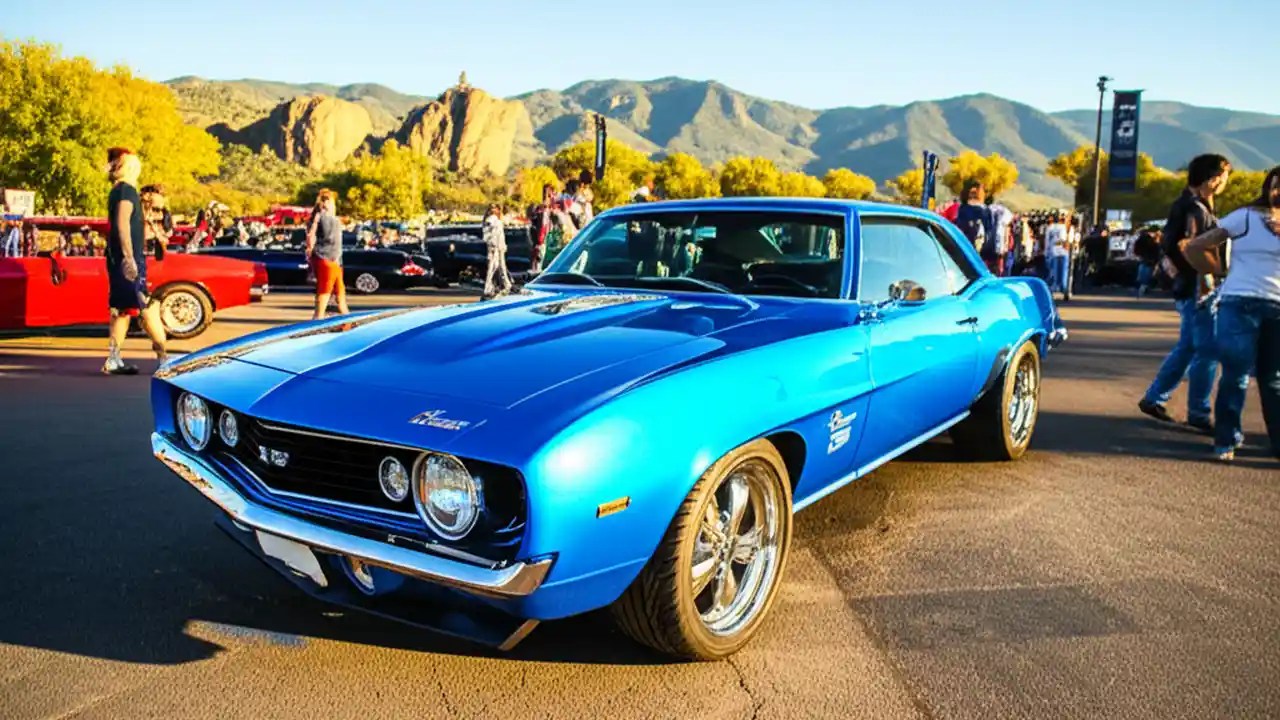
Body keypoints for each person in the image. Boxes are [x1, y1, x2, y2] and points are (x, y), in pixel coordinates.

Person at [1184, 166, 1280, 461]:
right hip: (1256, 304)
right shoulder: (1246, 217)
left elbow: (1197, 245)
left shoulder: (1245, 217)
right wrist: (1216, 269)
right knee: (1272, 378)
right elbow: (1196, 244)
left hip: (1240, 301)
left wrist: (1216, 269)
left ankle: (1226, 442)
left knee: (1237, 376)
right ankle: (1262, 444)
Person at [1138, 154, 1232, 431]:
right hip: (1197, 287)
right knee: (1208, 349)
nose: (1225, 183)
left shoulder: (1188, 205)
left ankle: (1155, 397)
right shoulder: (1197, 210)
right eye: (1224, 177)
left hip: (1185, 286)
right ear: (1213, 179)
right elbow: (1188, 246)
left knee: (1189, 346)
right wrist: (1213, 272)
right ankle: (1199, 412)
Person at [102, 147, 167, 375]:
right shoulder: (126, 191)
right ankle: (164, 357)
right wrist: (129, 258)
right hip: (127, 260)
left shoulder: (119, 191)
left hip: (118, 258)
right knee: (147, 307)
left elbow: (128, 227)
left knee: (122, 310)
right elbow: (121, 225)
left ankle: (114, 357)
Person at [304, 189, 348, 320]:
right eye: (326, 200)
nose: (329, 203)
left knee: (339, 294)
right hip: (327, 258)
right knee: (324, 294)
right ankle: (316, 323)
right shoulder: (322, 217)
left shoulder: (328, 218)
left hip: (335, 260)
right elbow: (310, 237)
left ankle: (348, 322)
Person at [954, 181, 996, 269]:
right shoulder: (985, 210)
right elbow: (990, 231)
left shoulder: (963, 209)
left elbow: (959, 227)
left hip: (966, 246)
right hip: (977, 247)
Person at [481, 203, 512, 299]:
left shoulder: (496, 220)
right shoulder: (491, 220)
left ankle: (506, 284)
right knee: (492, 267)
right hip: (494, 247)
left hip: (499, 246)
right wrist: (492, 244)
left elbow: (500, 233)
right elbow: (487, 235)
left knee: (501, 266)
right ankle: (488, 287)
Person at [1043, 212, 1071, 295]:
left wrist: (1046, 253)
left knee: (1053, 270)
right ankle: (1064, 287)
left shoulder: (1049, 228)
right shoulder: (1063, 227)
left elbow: (1047, 242)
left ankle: (1053, 287)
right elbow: (1063, 238)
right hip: (1063, 251)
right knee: (1063, 271)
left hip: (1053, 251)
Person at [1133, 226, 1161, 297]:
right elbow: (1156, 249)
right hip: (1150, 259)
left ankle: (1142, 285)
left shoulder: (1141, 240)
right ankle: (1145, 285)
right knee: (1147, 272)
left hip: (1144, 258)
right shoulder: (1152, 240)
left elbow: (1136, 250)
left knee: (1143, 271)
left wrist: (1139, 255)